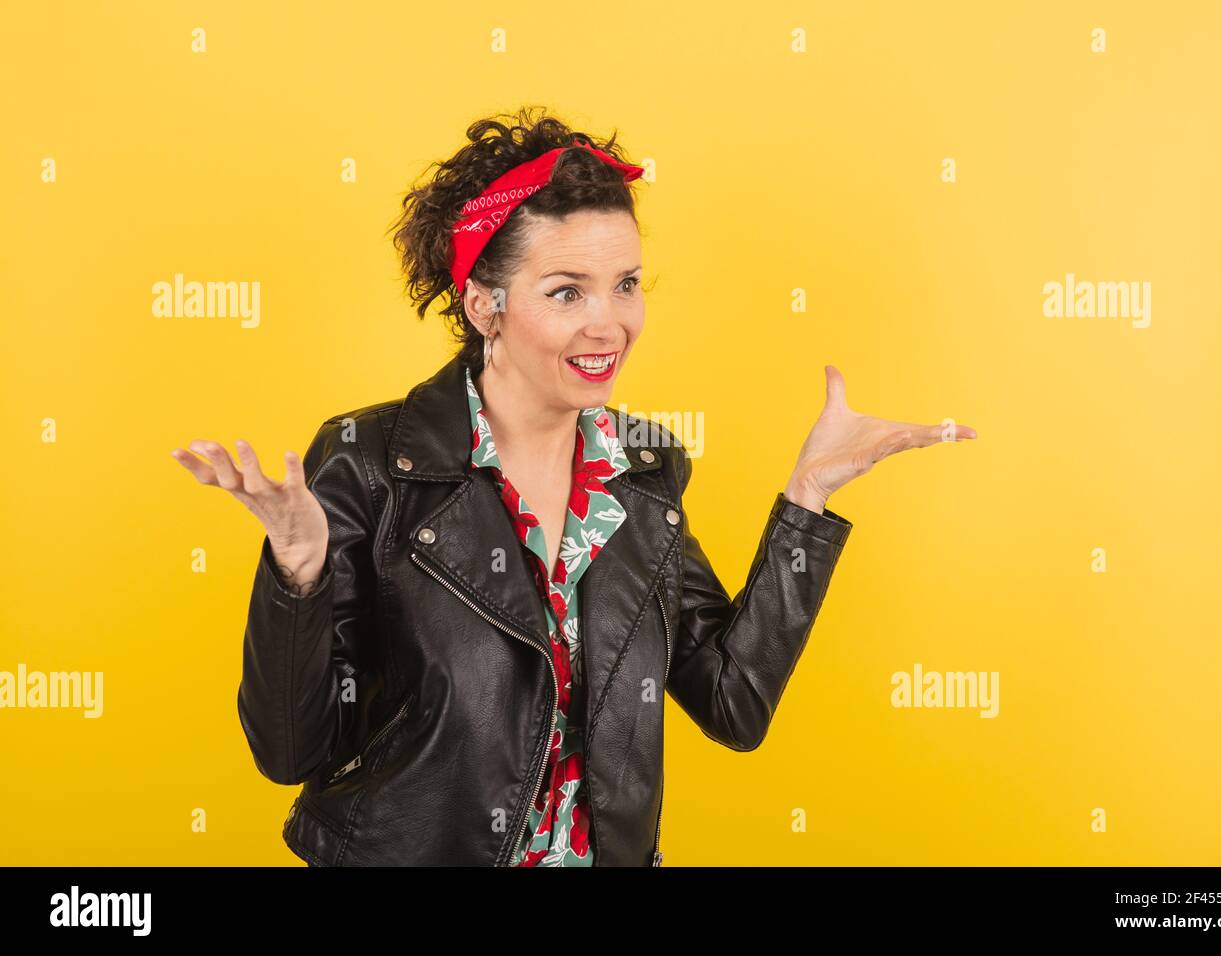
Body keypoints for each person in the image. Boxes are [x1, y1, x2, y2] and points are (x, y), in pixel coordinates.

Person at [171, 107, 977, 866]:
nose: (609, 324)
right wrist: (299, 574)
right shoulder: (371, 461)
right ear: (484, 304)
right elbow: (290, 751)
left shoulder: (645, 472)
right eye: (567, 292)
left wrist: (807, 499)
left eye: (626, 284)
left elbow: (732, 704)